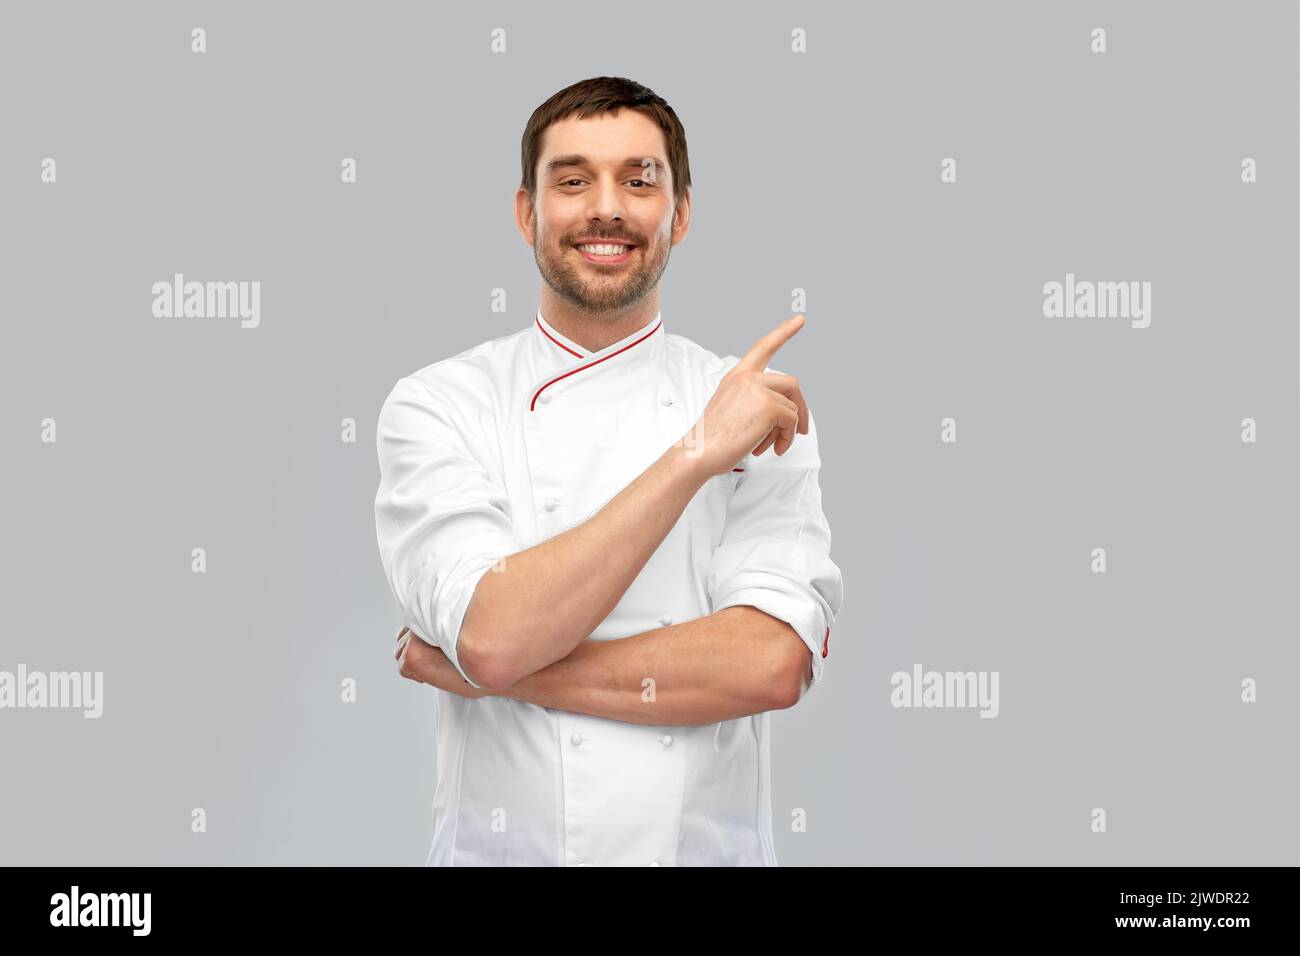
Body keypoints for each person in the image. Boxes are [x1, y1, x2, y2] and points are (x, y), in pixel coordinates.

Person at [374, 76, 843, 866]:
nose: (607, 208)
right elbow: (491, 635)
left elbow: (770, 664)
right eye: (572, 180)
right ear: (527, 213)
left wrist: (506, 673)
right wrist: (695, 455)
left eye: (639, 179)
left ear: (680, 215)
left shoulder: (750, 406)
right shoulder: (439, 405)